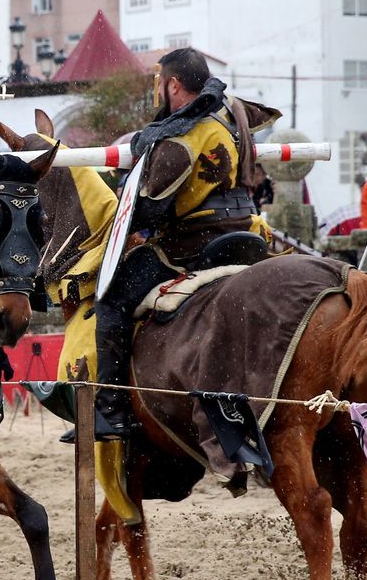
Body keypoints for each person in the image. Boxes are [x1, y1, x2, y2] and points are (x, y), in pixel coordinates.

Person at [93, 47, 276, 439]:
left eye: (161, 83)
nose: (159, 91)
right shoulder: (231, 116)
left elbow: (149, 212)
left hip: (193, 246)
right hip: (246, 235)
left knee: (112, 300)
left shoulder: (181, 139)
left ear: (173, 85)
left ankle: (111, 409)